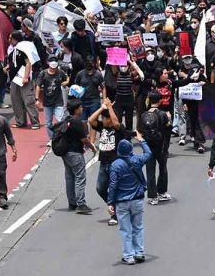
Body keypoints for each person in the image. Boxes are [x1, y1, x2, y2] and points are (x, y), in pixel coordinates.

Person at [107, 136, 152, 264]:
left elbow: (112, 184)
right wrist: (142, 141)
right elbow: (148, 154)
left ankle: (129, 255)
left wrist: (110, 202)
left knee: (125, 229)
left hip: (122, 201)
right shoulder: (136, 160)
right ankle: (140, 252)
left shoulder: (115, 165)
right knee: (138, 227)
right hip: (137, 199)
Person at [90, 98, 131, 226]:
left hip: (115, 164)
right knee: (100, 188)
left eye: (105, 118)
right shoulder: (101, 127)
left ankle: (114, 215)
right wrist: (103, 107)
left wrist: (111, 108)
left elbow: (116, 123)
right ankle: (114, 205)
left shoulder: (119, 129)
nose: (103, 120)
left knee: (115, 189)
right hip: (104, 163)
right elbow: (91, 120)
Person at [57, 99, 94, 214]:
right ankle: (81, 204)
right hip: (75, 153)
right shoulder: (77, 122)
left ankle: (72, 202)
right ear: (76, 109)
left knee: (69, 177)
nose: (82, 109)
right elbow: (84, 139)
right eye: (80, 107)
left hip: (65, 153)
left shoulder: (66, 120)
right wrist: (93, 148)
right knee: (80, 177)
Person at [139, 91, 173, 205]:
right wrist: (169, 118)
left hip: (148, 145)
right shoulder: (162, 114)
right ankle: (162, 192)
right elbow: (168, 128)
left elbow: (140, 129)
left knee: (150, 170)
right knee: (163, 168)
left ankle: (152, 196)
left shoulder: (144, 115)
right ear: (160, 101)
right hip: (161, 145)